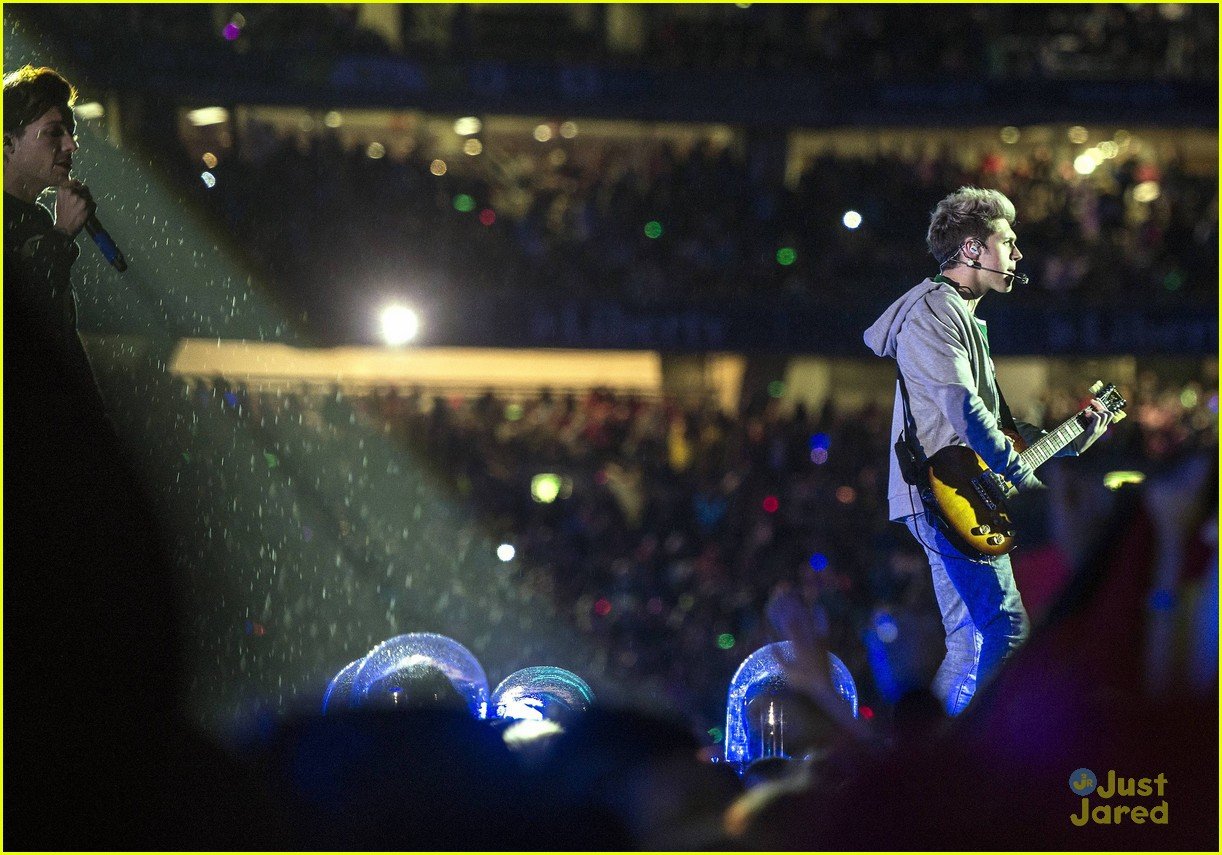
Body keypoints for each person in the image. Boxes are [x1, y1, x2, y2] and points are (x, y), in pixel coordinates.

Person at [862, 187, 1114, 715]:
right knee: (1008, 626)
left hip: (954, 489)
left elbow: (997, 424)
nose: (1018, 255)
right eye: (1009, 242)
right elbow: (962, 409)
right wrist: (1023, 479)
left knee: (967, 639)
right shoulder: (933, 313)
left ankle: (930, 751)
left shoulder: (961, 315)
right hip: (943, 493)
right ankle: (980, 748)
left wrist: (1075, 437)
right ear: (973, 250)